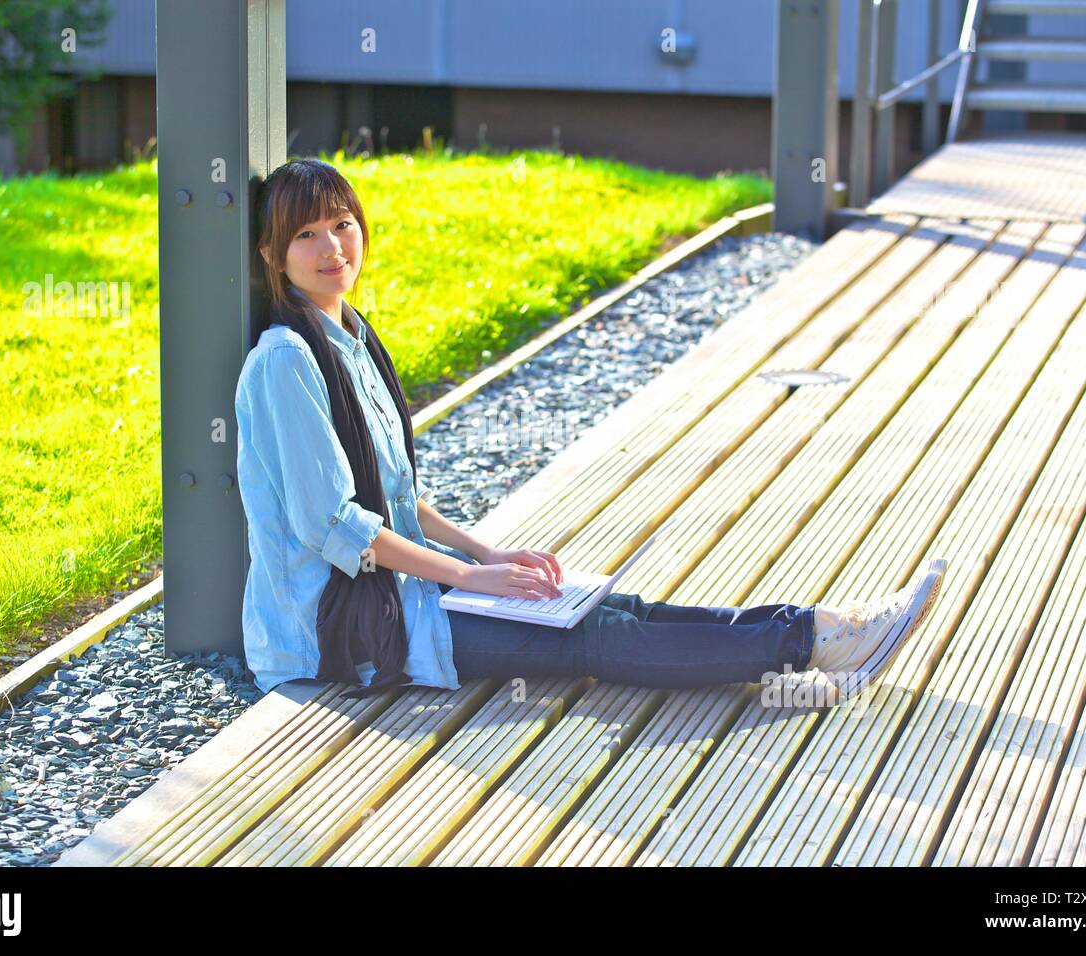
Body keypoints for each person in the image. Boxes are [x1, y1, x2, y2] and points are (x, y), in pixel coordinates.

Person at [234, 157, 948, 707]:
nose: (332, 246)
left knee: (608, 606)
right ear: (273, 255)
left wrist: (489, 553)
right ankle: (817, 643)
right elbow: (336, 526)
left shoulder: (349, 339)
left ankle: (821, 632)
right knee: (592, 636)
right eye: (305, 234)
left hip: (406, 592)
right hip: (342, 633)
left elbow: (395, 494)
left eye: (342, 224)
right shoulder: (287, 362)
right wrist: (473, 578)